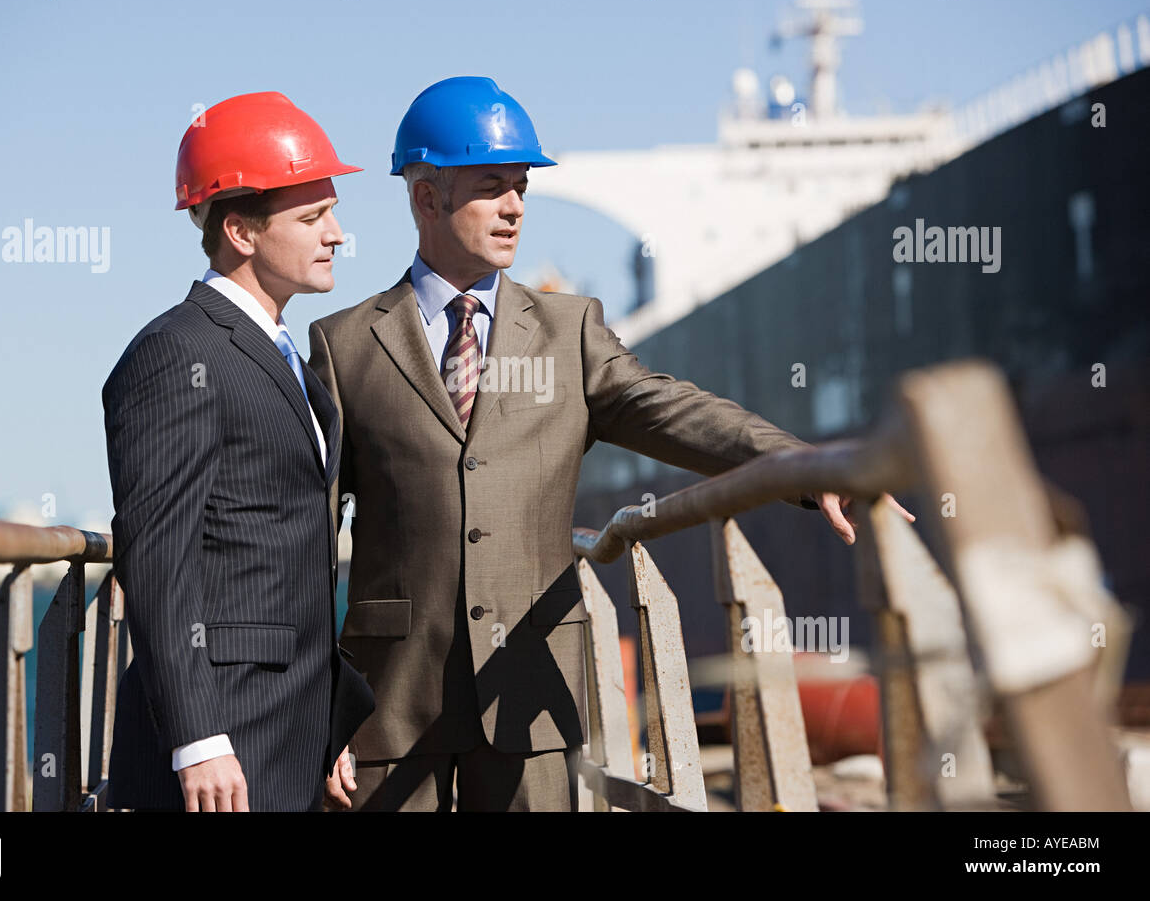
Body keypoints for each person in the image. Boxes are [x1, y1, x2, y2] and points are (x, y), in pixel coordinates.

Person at [309, 76, 912, 811]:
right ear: (426, 197)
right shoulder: (344, 346)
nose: (515, 208)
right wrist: (322, 709)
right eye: (493, 186)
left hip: (529, 687)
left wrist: (802, 466)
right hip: (391, 702)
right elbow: (309, 536)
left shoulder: (571, 332)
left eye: (522, 187)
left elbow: (669, 411)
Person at [103, 91, 373, 812]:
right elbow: (158, 556)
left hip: (287, 729)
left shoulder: (288, 360)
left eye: (332, 212)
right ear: (241, 231)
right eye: (312, 217)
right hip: (225, 739)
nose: (338, 234)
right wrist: (197, 739)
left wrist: (325, 725)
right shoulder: (177, 353)